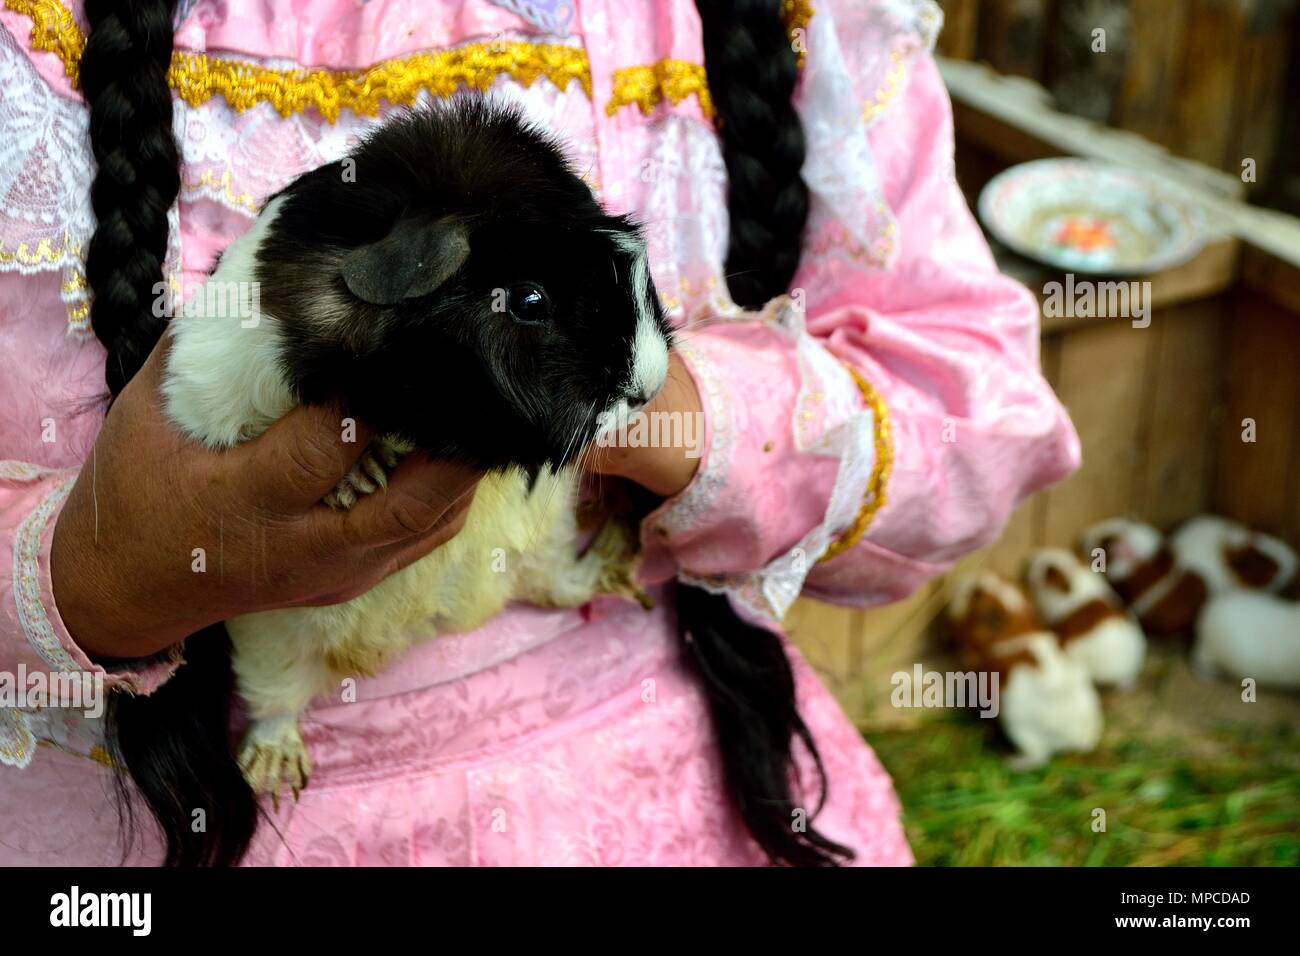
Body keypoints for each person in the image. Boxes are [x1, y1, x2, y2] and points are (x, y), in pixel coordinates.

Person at [0, 0, 1079, 865]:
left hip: (667, 778)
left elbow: (977, 402)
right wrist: (86, 573)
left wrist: (686, 420)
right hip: (138, 821)